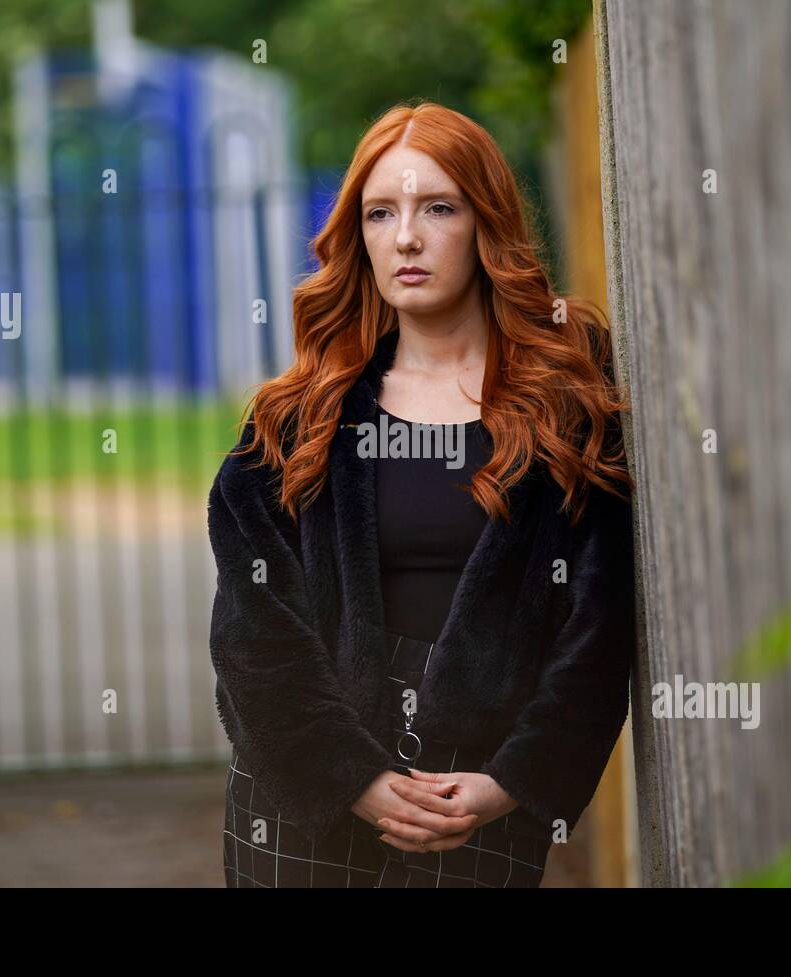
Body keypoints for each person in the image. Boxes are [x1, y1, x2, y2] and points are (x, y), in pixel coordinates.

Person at [211, 100, 635, 888]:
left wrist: (513, 781)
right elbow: (253, 631)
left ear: (486, 223)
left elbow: (600, 624)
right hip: (305, 802)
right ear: (359, 235)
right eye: (381, 213)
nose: (406, 236)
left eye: (438, 207)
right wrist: (352, 778)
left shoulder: (564, 408)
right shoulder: (295, 419)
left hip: (474, 795)